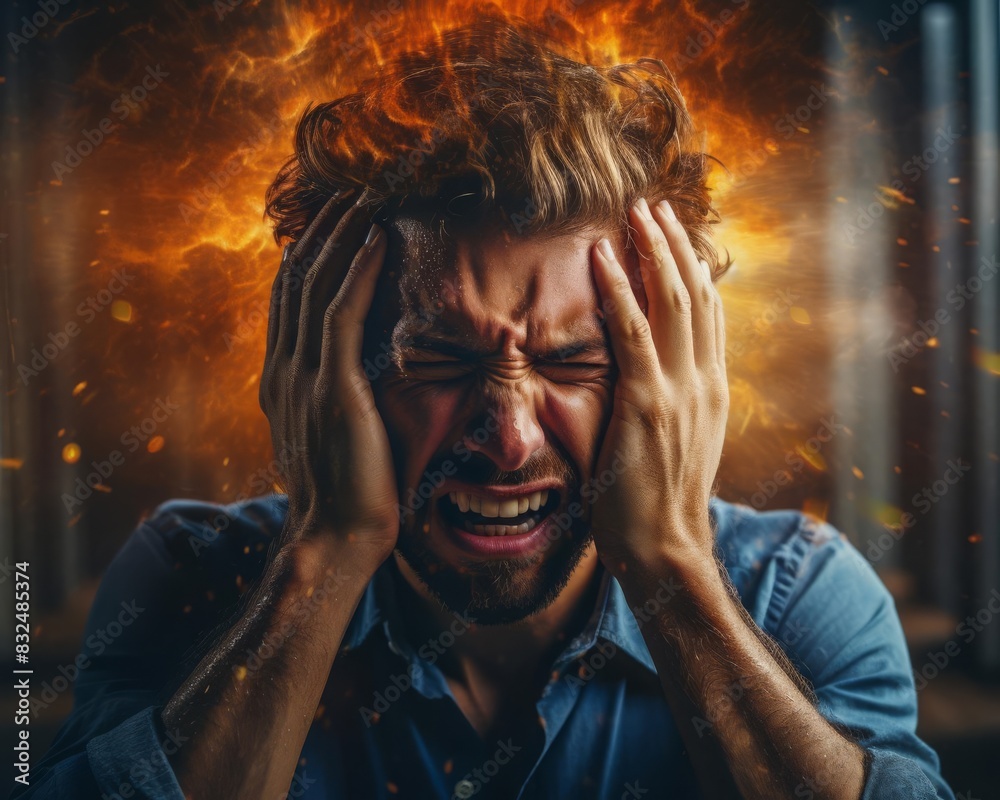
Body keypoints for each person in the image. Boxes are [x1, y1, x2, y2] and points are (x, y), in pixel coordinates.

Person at [15, 18, 953, 800]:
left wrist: (670, 560)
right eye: (437, 357)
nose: (508, 440)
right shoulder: (186, 579)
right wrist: (329, 550)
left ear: (673, 377)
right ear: (320, 369)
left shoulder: (803, 599)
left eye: (576, 360)